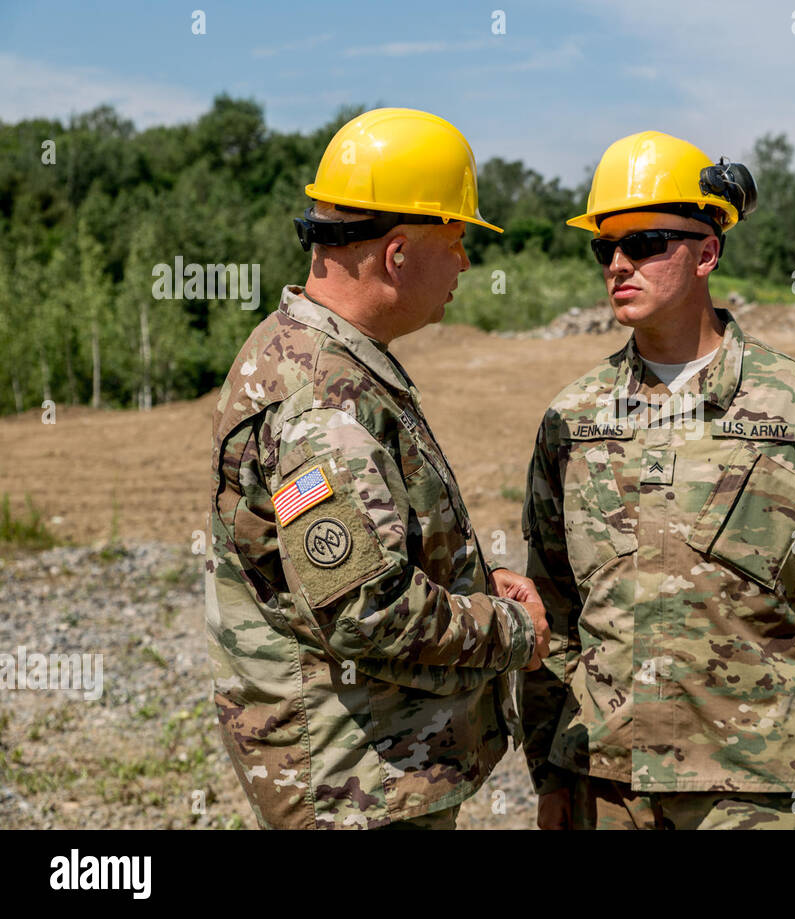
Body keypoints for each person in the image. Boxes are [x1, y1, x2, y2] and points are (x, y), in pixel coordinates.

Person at [520, 131, 795, 830]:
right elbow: (553, 606)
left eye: (644, 244)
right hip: (605, 782)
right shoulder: (571, 419)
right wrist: (546, 767)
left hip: (752, 787)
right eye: (603, 247)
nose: (618, 264)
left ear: (707, 252)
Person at [205, 108, 549, 830]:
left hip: (364, 769)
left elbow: (363, 559)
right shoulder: (322, 399)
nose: (464, 264)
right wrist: (513, 628)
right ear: (397, 254)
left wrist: (472, 583)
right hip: (358, 789)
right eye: (457, 242)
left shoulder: (308, 352)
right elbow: (368, 612)